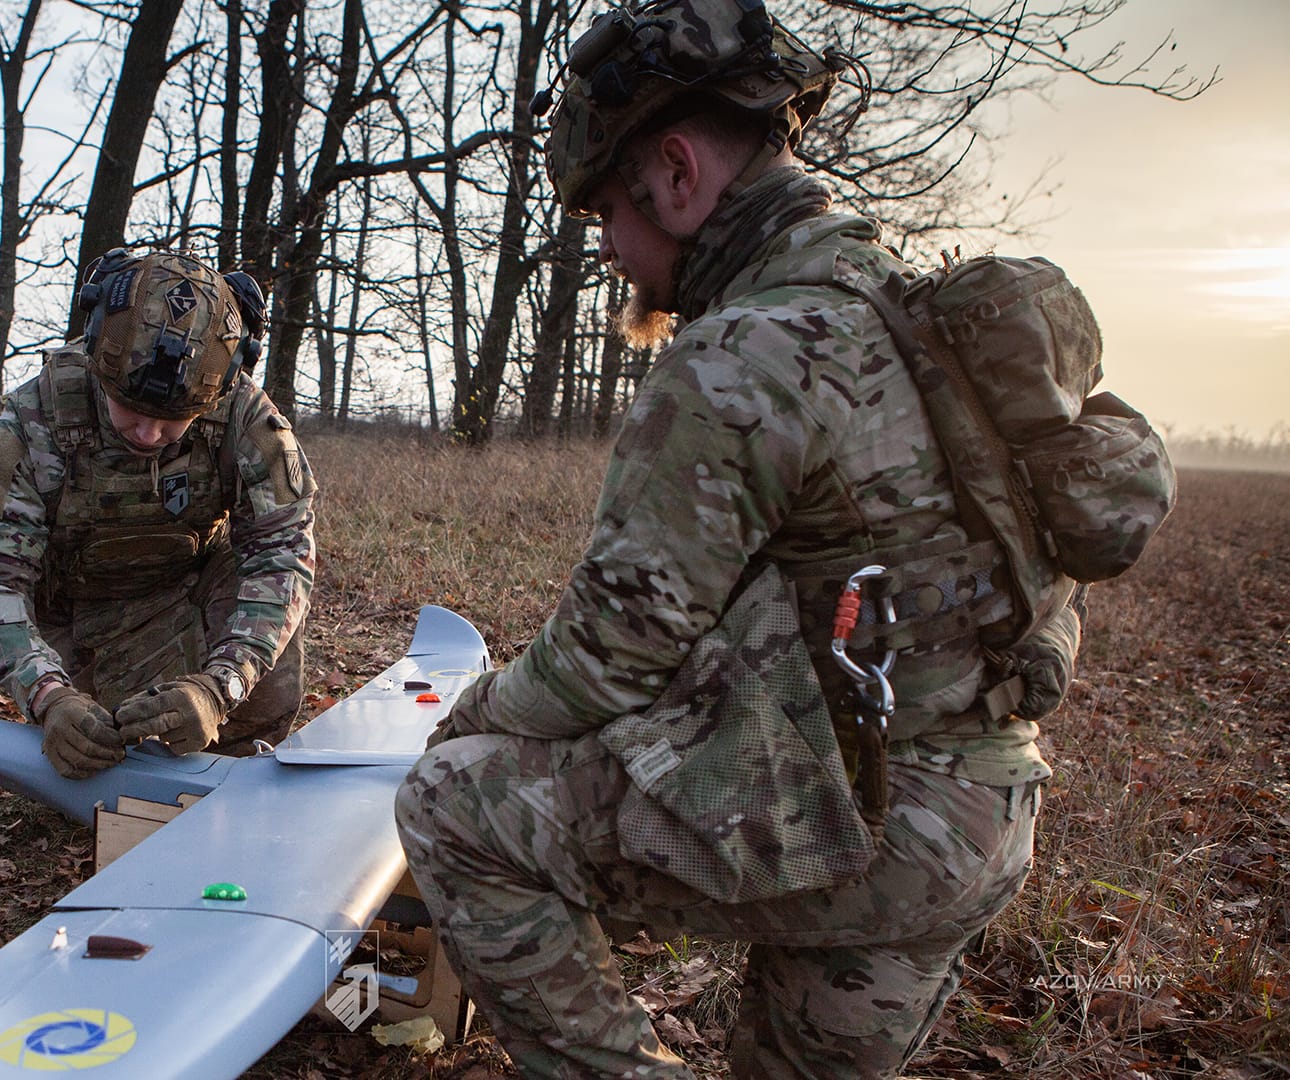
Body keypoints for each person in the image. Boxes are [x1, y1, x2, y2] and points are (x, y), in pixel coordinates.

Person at [394, 2, 1069, 1076]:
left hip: (870, 823)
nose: (610, 247)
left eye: (606, 210)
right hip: (986, 816)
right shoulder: (918, 320)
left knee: (455, 804)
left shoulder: (743, 356)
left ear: (673, 171)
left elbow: (601, 663)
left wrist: (462, 724)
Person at [0, 249, 316, 779]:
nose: (148, 435)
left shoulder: (245, 415)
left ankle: (226, 775)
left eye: (173, 421)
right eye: (131, 410)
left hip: (188, 586)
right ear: (100, 366)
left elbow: (282, 561)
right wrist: (47, 697)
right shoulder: (33, 421)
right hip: (74, 612)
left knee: (266, 695)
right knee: (97, 744)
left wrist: (220, 688)